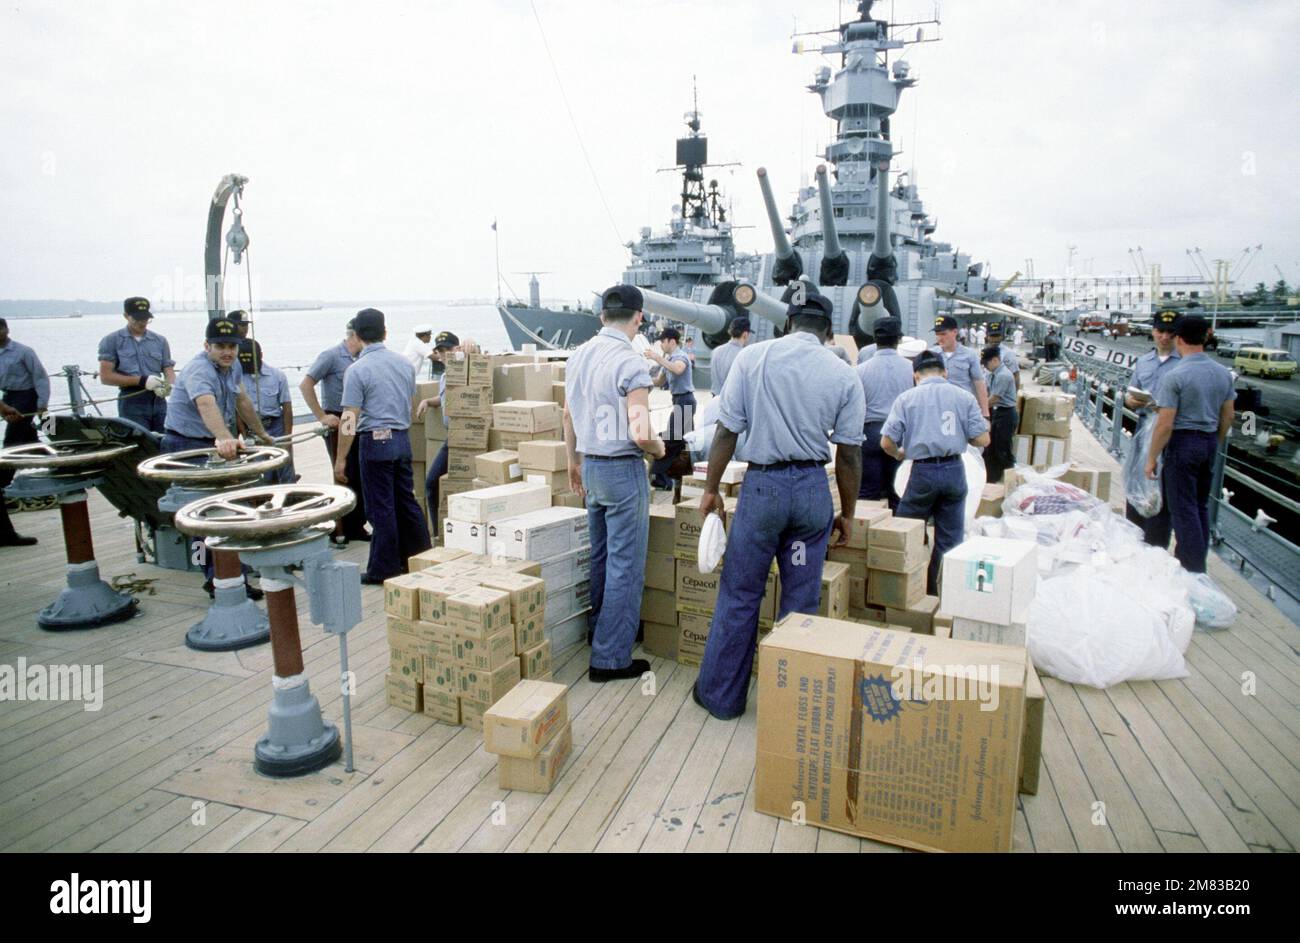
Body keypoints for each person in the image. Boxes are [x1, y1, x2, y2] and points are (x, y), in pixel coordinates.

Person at [693, 293, 865, 720]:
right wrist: (849, 513)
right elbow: (850, 455)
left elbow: (726, 431)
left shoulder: (752, 359)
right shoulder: (844, 374)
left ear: (788, 324)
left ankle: (720, 698)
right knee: (801, 602)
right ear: (828, 331)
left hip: (763, 492)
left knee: (741, 593)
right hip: (809, 497)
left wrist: (711, 488)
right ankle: (789, 711)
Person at [562, 284, 665, 682]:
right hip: (622, 469)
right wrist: (659, 450)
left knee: (602, 557)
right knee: (626, 564)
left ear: (602, 315)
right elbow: (641, 433)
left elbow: (569, 416)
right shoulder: (631, 362)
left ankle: (597, 633)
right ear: (639, 318)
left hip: (590, 466)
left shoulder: (578, 356)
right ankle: (611, 658)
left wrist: (573, 461)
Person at [162, 317, 273, 594]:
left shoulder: (232, 366)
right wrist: (224, 438)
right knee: (199, 518)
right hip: (186, 445)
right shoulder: (199, 370)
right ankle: (212, 576)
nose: (228, 352)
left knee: (226, 510)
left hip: (211, 444)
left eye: (232, 346)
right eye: (221, 346)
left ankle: (233, 572)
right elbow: (206, 403)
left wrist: (261, 433)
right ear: (206, 345)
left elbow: (241, 400)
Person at [881, 350, 990, 594]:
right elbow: (983, 439)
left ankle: (902, 592)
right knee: (949, 539)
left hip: (922, 473)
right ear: (945, 372)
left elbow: (886, 443)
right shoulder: (964, 397)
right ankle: (937, 593)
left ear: (915, 375)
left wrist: (901, 455)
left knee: (905, 533)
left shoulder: (906, 399)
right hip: (954, 470)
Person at [334, 308, 431, 583]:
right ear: (384, 333)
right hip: (402, 439)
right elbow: (408, 403)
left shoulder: (357, 370)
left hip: (375, 442)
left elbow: (349, 418)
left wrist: (341, 459)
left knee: (381, 508)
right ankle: (419, 556)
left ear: (357, 335)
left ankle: (384, 568)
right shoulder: (404, 365)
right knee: (406, 502)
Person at [1145, 315, 1235, 574]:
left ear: (1178, 338)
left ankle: (1192, 571)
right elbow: (1228, 415)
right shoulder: (1223, 373)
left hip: (1183, 443)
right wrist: (1212, 443)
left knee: (1182, 509)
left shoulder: (1176, 375)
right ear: (1206, 337)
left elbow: (1165, 424)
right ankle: (1198, 561)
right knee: (1200, 506)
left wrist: (1152, 457)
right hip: (1208, 441)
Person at [302, 322, 368, 545]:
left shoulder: (361, 359)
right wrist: (321, 416)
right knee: (342, 472)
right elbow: (306, 384)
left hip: (357, 418)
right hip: (338, 418)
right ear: (356, 336)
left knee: (358, 472)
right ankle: (341, 527)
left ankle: (356, 525)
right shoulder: (330, 356)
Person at [1124, 309, 1182, 548]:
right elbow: (1130, 394)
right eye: (1160, 331)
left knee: (1161, 486)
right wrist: (1132, 401)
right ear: (1153, 332)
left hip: (1169, 431)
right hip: (1143, 426)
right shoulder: (1144, 361)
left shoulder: (1184, 363)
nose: (1164, 337)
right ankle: (1133, 535)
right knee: (1135, 479)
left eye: (1170, 332)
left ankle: (1156, 542)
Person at [0, 318, 49, 547]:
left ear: (7, 329)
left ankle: (4, 477)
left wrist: (42, 404)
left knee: (14, 443)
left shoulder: (23, 351)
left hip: (26, 397)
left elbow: (40, 376)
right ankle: (56, 462)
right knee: (30, 439)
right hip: (8, 397)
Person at [855, 316, 912, 508]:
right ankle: (899, 533)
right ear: (899, 339)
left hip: (869, 433)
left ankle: (863, 533)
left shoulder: (859, 371)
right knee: (899, 493)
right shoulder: (912, 369)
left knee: (867, 494)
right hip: (900, 435)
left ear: (875, 339)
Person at [96, 297, 175, 433]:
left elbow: (168, 370)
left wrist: (170, 385)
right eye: (137, 319)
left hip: (158, 401)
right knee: (139, 443)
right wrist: (141, 381)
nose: (142, 323)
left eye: (145, 319)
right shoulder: (112, 341)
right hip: (131, 401)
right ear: (126, 316)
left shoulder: (160, 341)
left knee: (166, 440)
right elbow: (106, 377)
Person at [416, 331, 463, 534]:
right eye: (440, 351)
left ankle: (436, 534)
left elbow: (479, 363)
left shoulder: (462, 369)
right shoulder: (444, 376)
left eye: (448, 350)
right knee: (435, 485)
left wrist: (470, 347)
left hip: (460, 438)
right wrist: (428, 401)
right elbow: (444, 399)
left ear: (457, 350)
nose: (444, 355)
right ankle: (439, 532)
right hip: (450, 437)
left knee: (431, 483)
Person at [237, 341, 294, 484]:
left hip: (275, 425)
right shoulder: (236, 379)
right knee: (260, 471)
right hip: (252, 429)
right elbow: (236, 411)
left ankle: (291, 496)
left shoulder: (277, 376)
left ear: (261, 355)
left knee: (285, 466)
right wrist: (244, 435)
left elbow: (287, 407)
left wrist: (287, 438)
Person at [646, 326, 695, 490]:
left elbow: (678, 369)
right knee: (683, 441)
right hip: (680, 401)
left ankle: (660, 476)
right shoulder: (668, 358)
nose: (661, 345)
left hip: (685, 401)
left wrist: (657, 358)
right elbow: (659, 381)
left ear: (671, 341)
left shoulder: (680, 357)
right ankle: (681, 475)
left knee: (671, 439)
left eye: (662, 341)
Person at [931, 315, 990, 420]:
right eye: (937, 334)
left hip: (962, 408)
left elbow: (979, 384)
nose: (940, 338)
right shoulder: (932, 354)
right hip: (937, 408)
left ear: (955, 332)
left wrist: (985, 414)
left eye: (943, 334)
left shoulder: (969, 355)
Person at [981, 346, 1017, 483]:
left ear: (995, 360)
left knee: (1003, 449)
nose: (985, 367)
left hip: (1006, 414)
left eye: (986, 363)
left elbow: (995, 398)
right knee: (992, 447)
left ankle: (1008, 479)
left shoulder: (1003, 375)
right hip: (997, 413)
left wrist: (978, 410)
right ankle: (992, 478)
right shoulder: (993, 374)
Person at [708, 317, 750, 395]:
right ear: (745, 334)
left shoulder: (715, 351)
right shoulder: (744, 354)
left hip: (715, 399)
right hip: (732, 400)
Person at [985, 321, 1020, 390]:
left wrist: (1014, 395)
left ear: (1001, 336)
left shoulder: (1008, 353)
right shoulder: (984, 352)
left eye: (997, 336)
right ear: (987, 336)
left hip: (1003, 392)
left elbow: (1016, 375)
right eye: (992, 336)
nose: (995, 339)